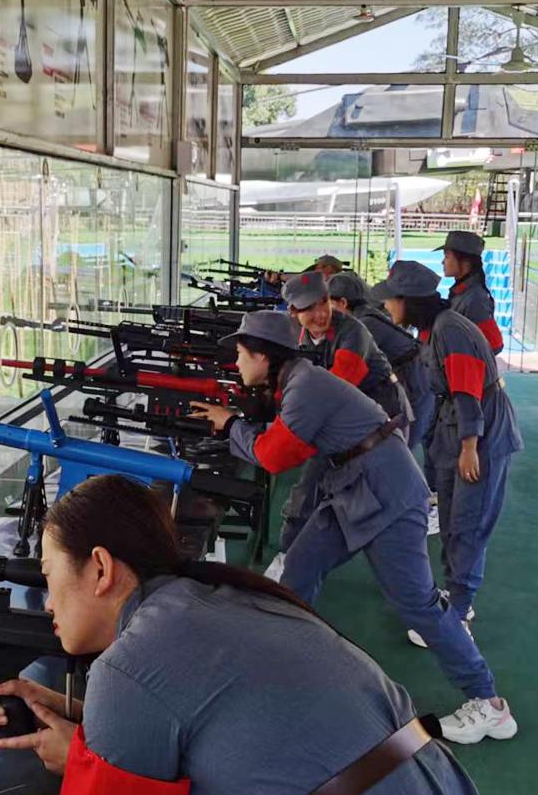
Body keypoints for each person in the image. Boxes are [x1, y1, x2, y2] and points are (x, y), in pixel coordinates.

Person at [0, 475, 534, 795]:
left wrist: (83, 765)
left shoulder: (130, 664)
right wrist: (88, 722)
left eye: (49, 575)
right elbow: (203, 716)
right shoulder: (214, 600)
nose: (47, 601)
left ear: (101, 569)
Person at [192, 311, 518, 744]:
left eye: (240, 354)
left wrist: (231, 424)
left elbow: (274, 456)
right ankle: (285, 666)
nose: (236, 363)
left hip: (388, 494)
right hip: (352, 489)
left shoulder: (305, 387)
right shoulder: (298, 381)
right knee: (299, 571)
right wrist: (241, 419)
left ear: (263, 356)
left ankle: (489, 704)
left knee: (418, 604)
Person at [374, 261, 522, 638]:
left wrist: (470, 446)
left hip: (479, 431)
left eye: (391, 300)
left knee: (469, 523)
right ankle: (455, 595)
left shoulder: (450, 330)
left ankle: (458, 614)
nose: (387, 308)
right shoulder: (434, 328)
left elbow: (467, 390)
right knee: (453, 518)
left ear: (409, 300)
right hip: (457, 426)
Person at [277, 270, 412, 556]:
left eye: (323, 302)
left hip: (383, 416)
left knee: (384, 497)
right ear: (293, 312)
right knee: (316, 487)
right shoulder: (295, 336)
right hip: (344, 418)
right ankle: (291, 557)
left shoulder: (353, 331)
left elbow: (337, 388)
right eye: (309, 308)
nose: (320, 314)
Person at [328, 271, 433, 450]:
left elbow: (346, 372)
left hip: (413, 381)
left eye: (327, 303)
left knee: (403, 448)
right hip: (410, 377)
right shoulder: (364, 317)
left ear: (342, 303)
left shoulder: (362, 326)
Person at [438, 230, 505, 355]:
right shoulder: (461, 292)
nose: (442, 262)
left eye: (447, 257)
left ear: (465, 262)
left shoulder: (476, 299)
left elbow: (494, 345)